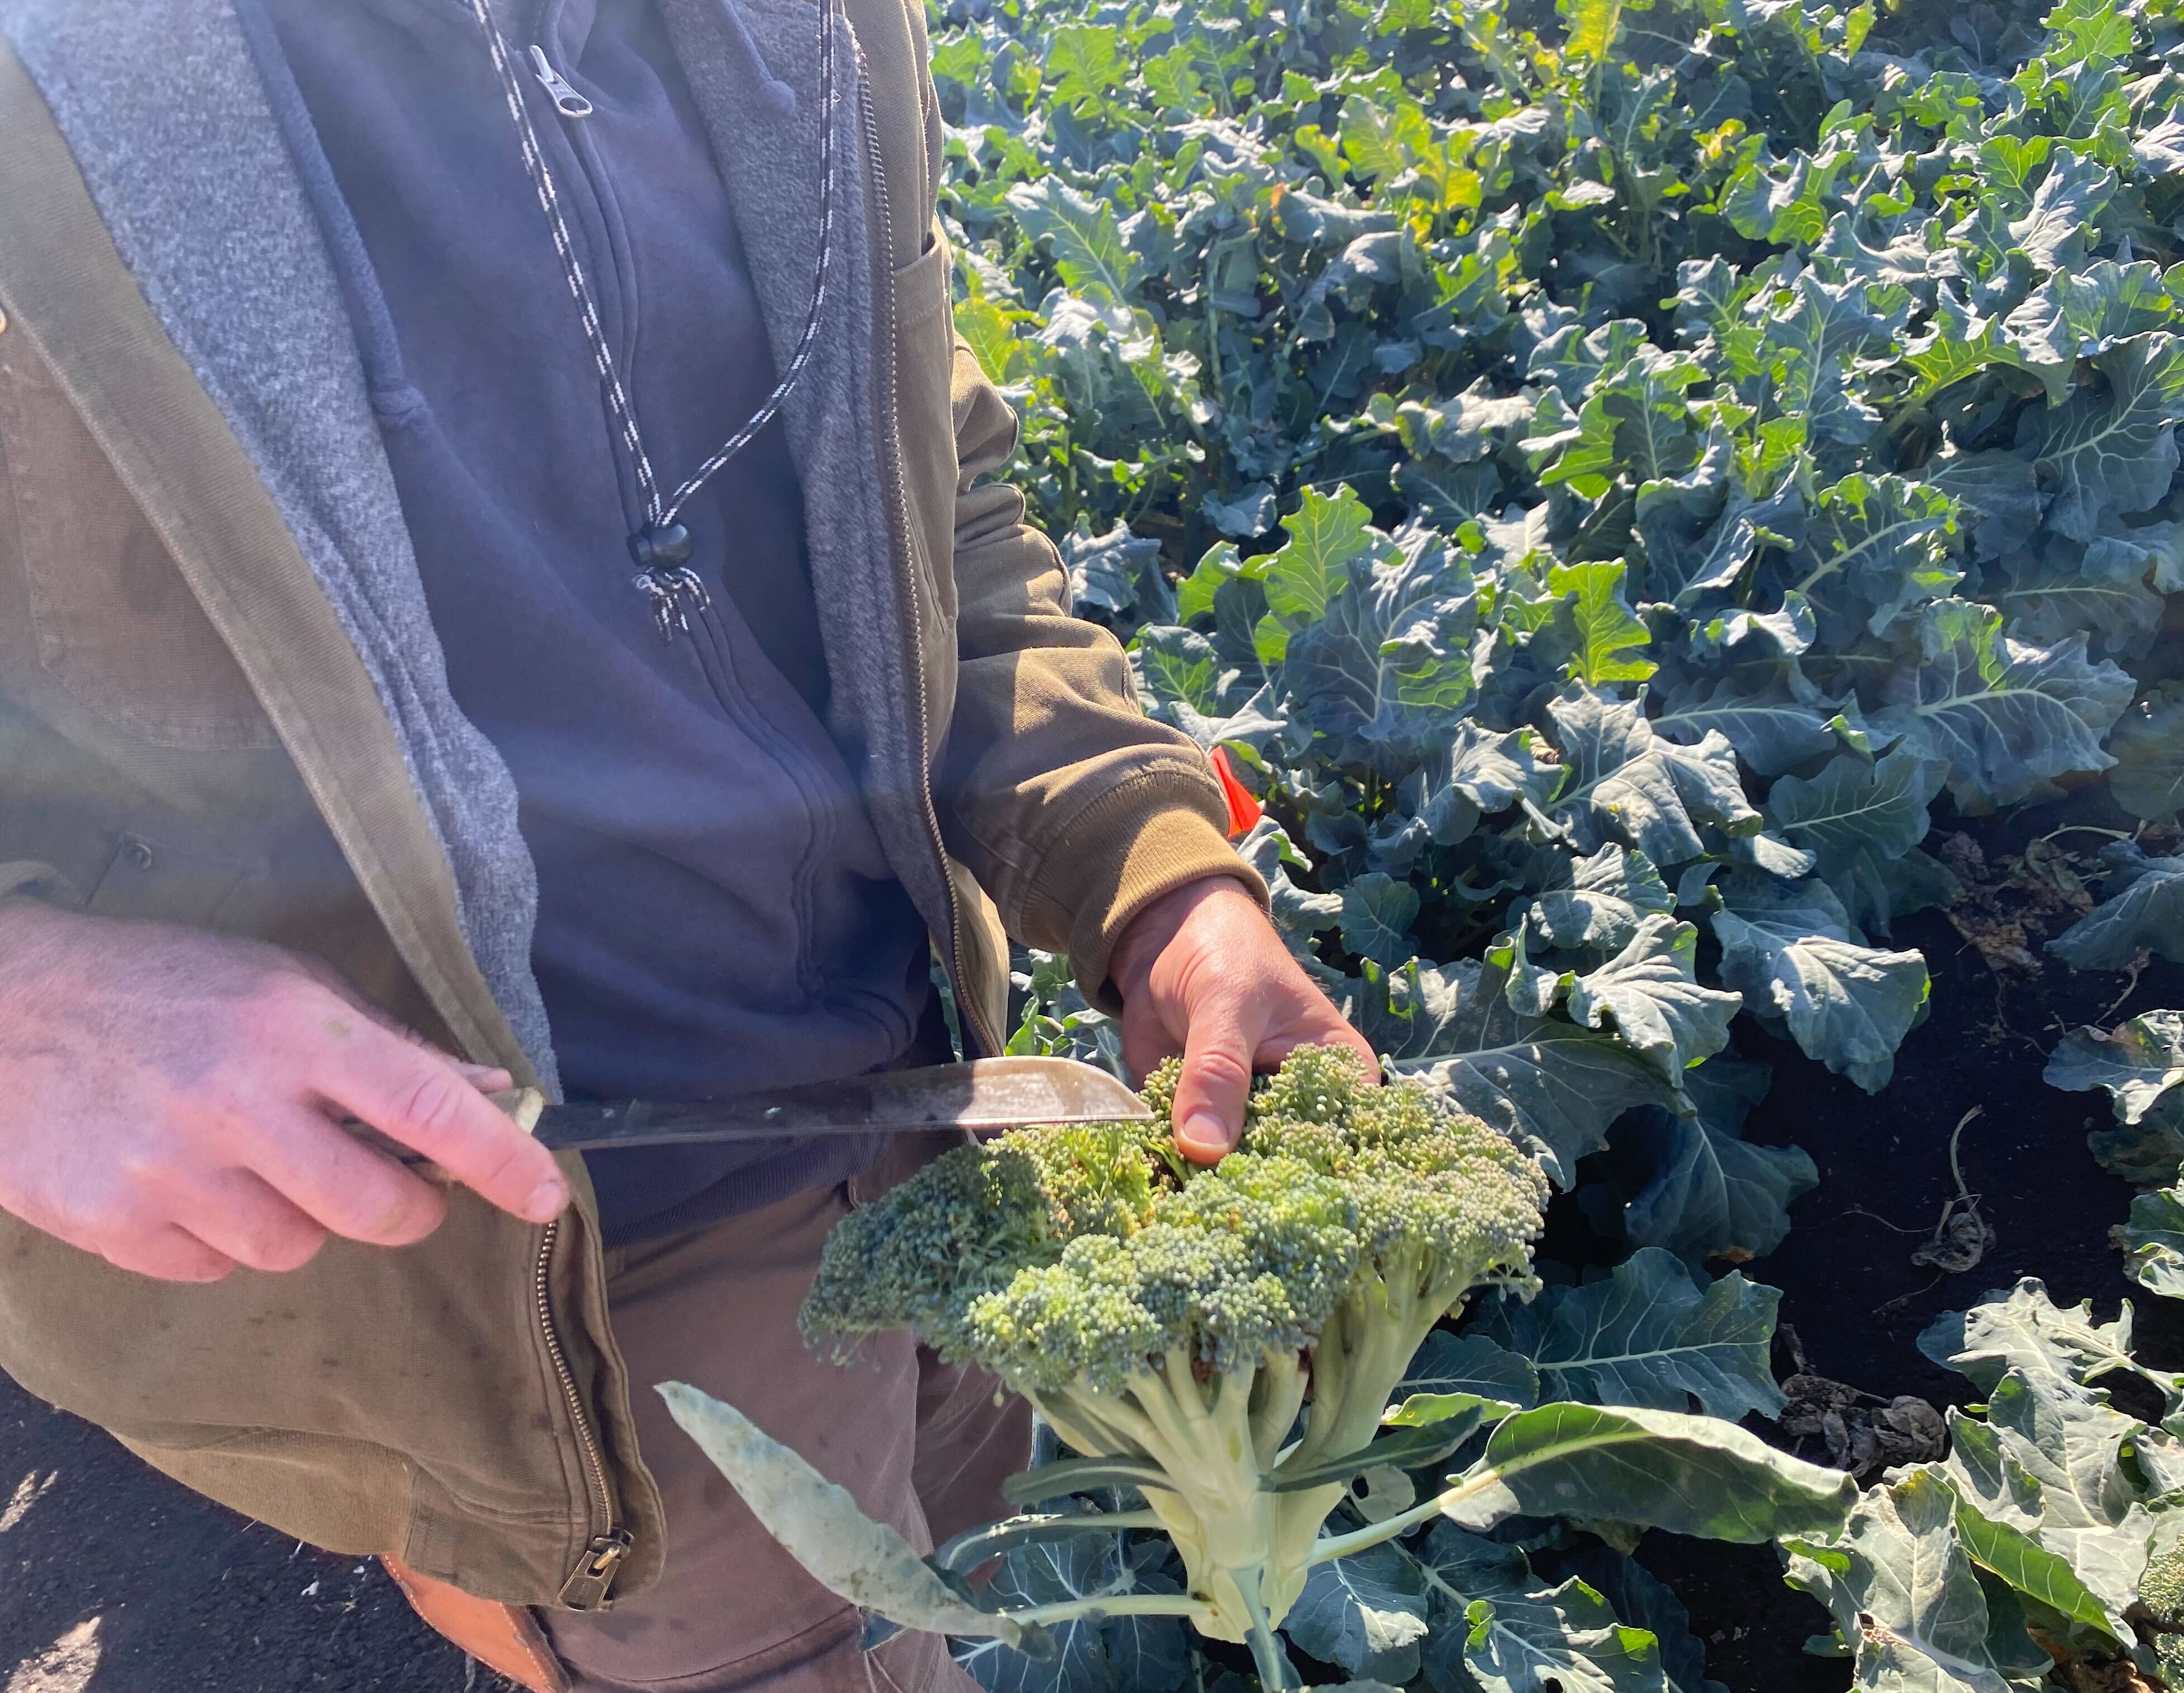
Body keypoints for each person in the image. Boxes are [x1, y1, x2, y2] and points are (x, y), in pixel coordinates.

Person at [0, 0, 1375, 1687]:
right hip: (535, 1274)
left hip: (941, 1101)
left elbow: (931, 507)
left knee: (1006, 1570)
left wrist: (1155, 867)